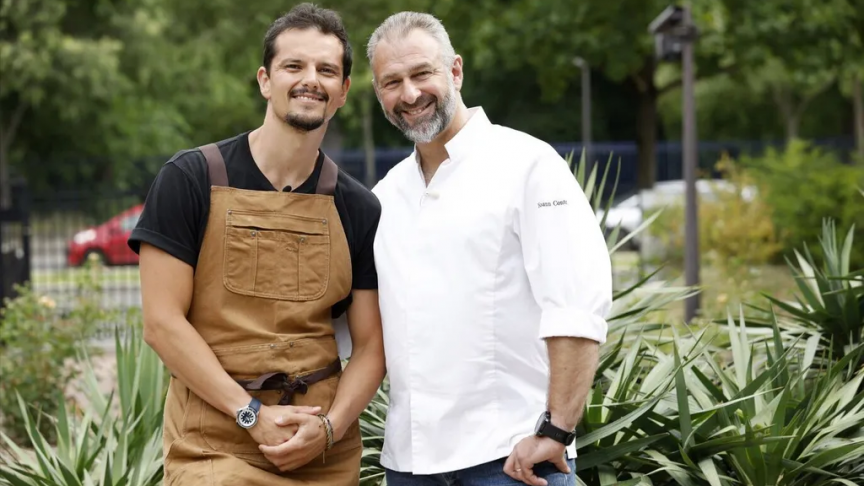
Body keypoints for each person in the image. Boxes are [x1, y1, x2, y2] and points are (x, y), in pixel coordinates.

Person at [128, 4, 384, 485]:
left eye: (326, 70)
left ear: (344, 92)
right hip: (216, 442)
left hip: (321, 447)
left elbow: (371, 345)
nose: (311, 79)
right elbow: (162, 325)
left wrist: (329, 430)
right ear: (266, 80)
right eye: (294, 66)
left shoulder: (358, 207)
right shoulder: (190, 179)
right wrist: (250, 414)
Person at [366, 11, 612, 486]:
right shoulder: (385, 196)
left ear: (455, 71)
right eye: (392, 82)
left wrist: (557, 428)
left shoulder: (528, 165)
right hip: (410, 465)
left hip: (512, 462)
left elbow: (575, 304)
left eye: (422, 73)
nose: (410, 94)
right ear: (379, 94)